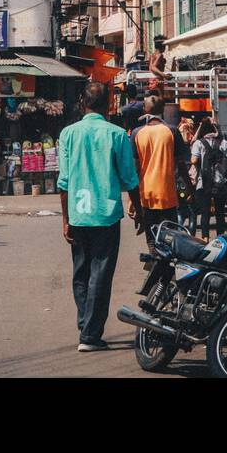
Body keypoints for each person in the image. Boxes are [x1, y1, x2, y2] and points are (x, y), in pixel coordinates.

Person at [57, 81, 142, 352]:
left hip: (79, 214)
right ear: (109, 105)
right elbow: (130, 179)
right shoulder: (117, 135)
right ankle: (90, 334)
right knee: (100, 275)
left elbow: (64, 182)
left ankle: (86, 326)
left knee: (81, 273)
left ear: (83, 104)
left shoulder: (68, 134)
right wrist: (138, 208)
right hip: (105, 216)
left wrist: (65, 219)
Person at [129, 96, 178, 252]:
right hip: (168, 194)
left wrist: (132, 199)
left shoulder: (137, 133)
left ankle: (153, 257)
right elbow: (181, 164)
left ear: (145, 110)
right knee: (170, 237)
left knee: (151, 239)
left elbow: (135, 168)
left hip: (146, 195)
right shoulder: (172, 131)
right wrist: (190, 188)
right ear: (162, 110)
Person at [192, 118, 227, 238]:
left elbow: (194, 160)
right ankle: (221, 238)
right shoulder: (224, 143)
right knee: (220, 213)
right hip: (220, 183)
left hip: (203, 182)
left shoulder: (199, 143)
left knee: (205, 214)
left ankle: (205, 238)